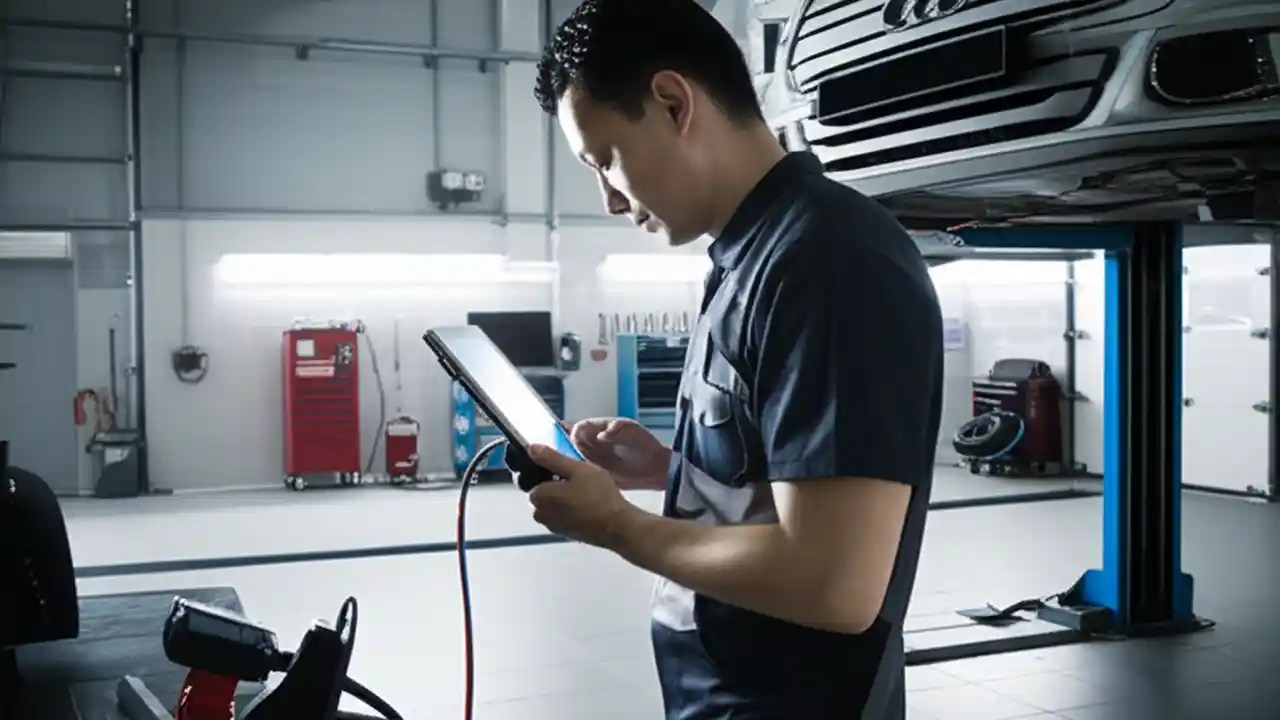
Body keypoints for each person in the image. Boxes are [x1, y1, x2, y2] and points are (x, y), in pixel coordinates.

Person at [524, 1, 944, 717]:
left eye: (606, 162)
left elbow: (834, 585)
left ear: (671, 102)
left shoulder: (828, 261)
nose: (610, 202)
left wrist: (617, 525)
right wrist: (671, 469)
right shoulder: (749, 256)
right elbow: (781, 476)